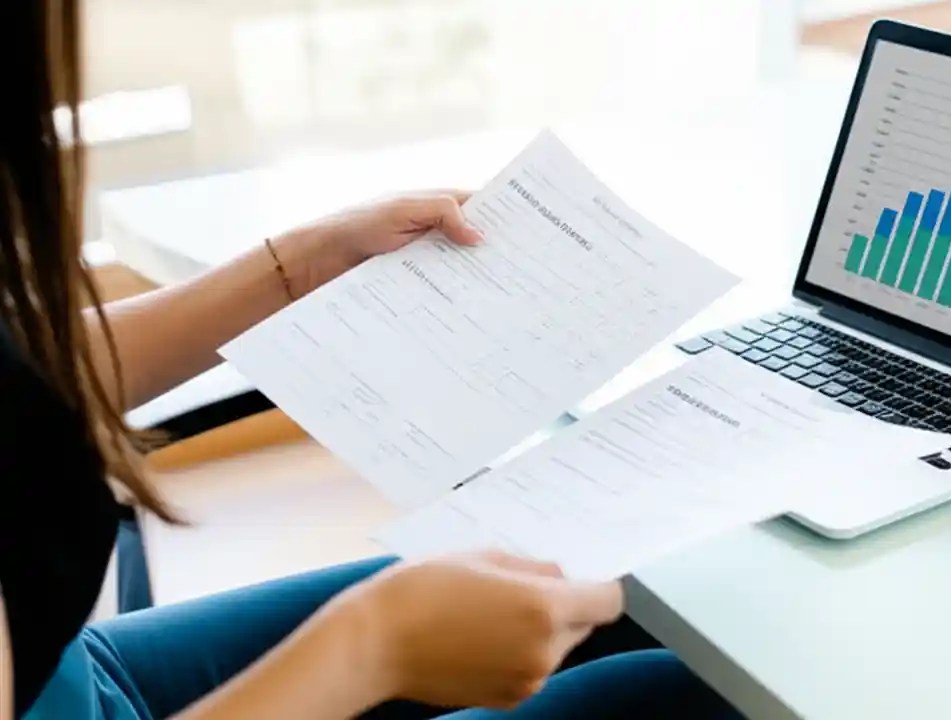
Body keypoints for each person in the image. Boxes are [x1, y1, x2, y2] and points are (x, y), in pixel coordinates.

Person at [0, 3, 743, 719]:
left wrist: (300, 264)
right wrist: (371, 646)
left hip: (75, 678)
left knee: (657, 601)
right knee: (701, 695)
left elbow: (20, 377)